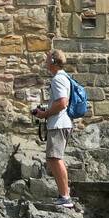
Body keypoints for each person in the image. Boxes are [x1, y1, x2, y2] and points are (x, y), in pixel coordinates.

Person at [35, 49, 75, 209]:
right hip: (62, 123)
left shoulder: (58, 79)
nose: (45, 62)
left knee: (54, 158)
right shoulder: (64, 77)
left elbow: (62, 103)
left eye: (47, 59)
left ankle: (65, 196)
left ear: (53, 62)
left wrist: (45, 113)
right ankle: (64, 194)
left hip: (58, 124)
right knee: (55, 158)